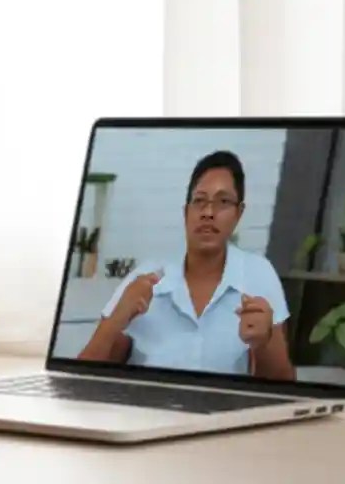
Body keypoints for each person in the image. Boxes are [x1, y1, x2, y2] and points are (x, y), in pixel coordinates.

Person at [77, 151, 295, 380]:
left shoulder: (259, 275)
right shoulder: (145, 278)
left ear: (239, 213)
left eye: (223, 202)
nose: (208, 213)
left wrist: (264, 343)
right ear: (186, 212)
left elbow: (284, 384)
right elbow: (80, 378)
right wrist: (115, 320)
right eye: (199, 200)